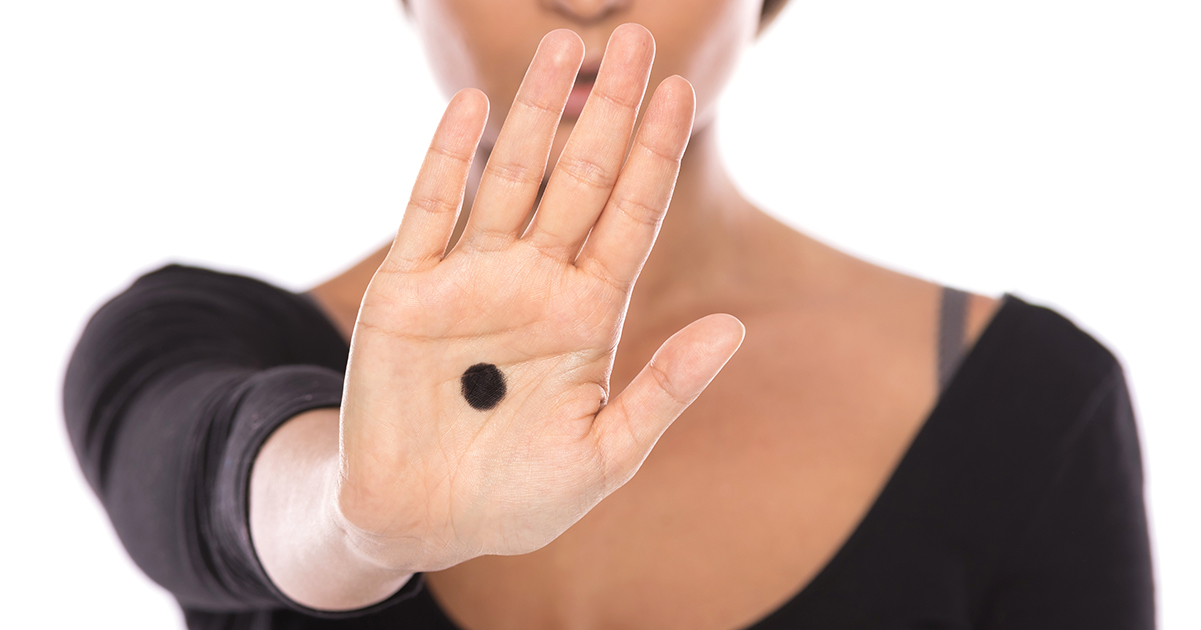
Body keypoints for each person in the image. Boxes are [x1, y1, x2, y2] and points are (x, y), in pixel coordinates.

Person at [63, 0, 1155, 628]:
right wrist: (354, 518)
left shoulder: (1032, 404)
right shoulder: (180, 345)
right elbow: (218, 476)